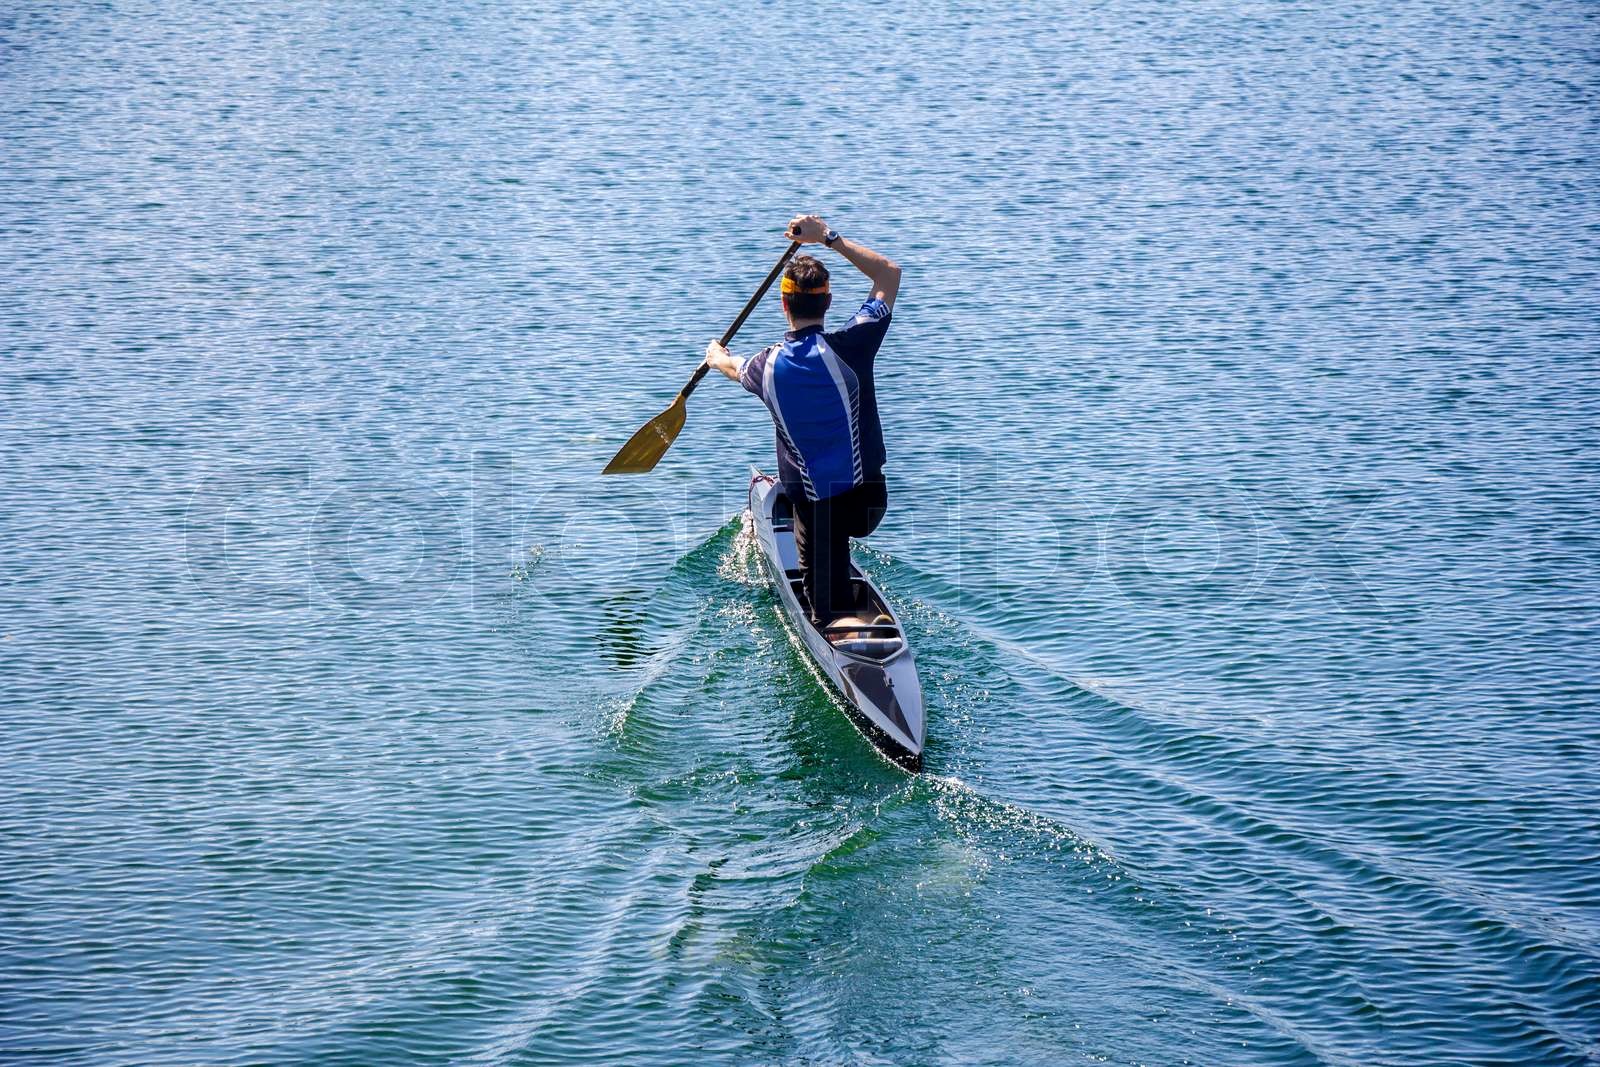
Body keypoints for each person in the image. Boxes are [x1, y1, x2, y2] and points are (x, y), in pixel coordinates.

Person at [704, 214, 901, 634]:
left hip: (820, 511)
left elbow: (730, 365)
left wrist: (714, 355)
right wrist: (827, 238)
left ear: (783, 304)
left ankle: (833, 616)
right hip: (870, 505)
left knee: (814, 508)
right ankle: (844, 590)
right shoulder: (856, 342)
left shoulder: (764, 367)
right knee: (834, 494)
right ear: (828, 303)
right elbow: (889, 273)